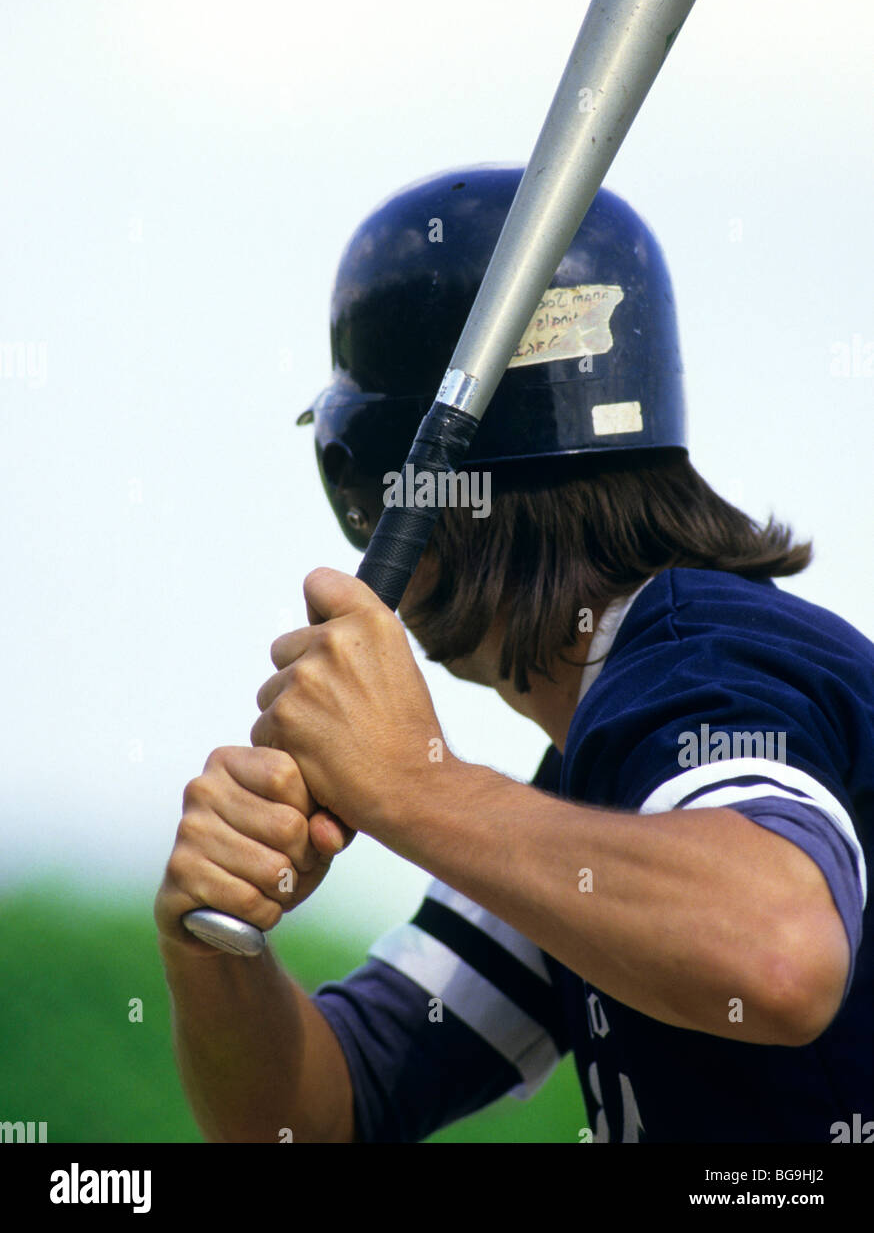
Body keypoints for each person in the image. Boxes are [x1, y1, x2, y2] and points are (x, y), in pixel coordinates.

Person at [155, 166, 872, 1143]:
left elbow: (779, 956)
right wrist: (211, 946)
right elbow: (309, 1120)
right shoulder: (592, 802)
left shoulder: (698, 654)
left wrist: (414, 787)